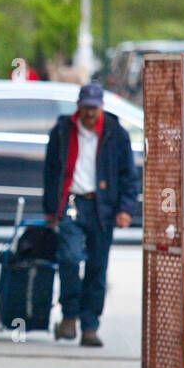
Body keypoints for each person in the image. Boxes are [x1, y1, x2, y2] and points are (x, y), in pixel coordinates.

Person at [42, 81, 140, 347]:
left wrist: (125, 209)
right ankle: (69, 315)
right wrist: (50, 208)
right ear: (78, 106)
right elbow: (50, 171)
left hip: (102, 206)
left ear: (101, 108)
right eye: (85, 107)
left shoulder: (115, 133)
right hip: (72, 203)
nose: (89, 113)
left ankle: (90, 326)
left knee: (97, 267)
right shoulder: (62, 131)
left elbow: (129, 175)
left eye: (94, 108)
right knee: (69, 259)